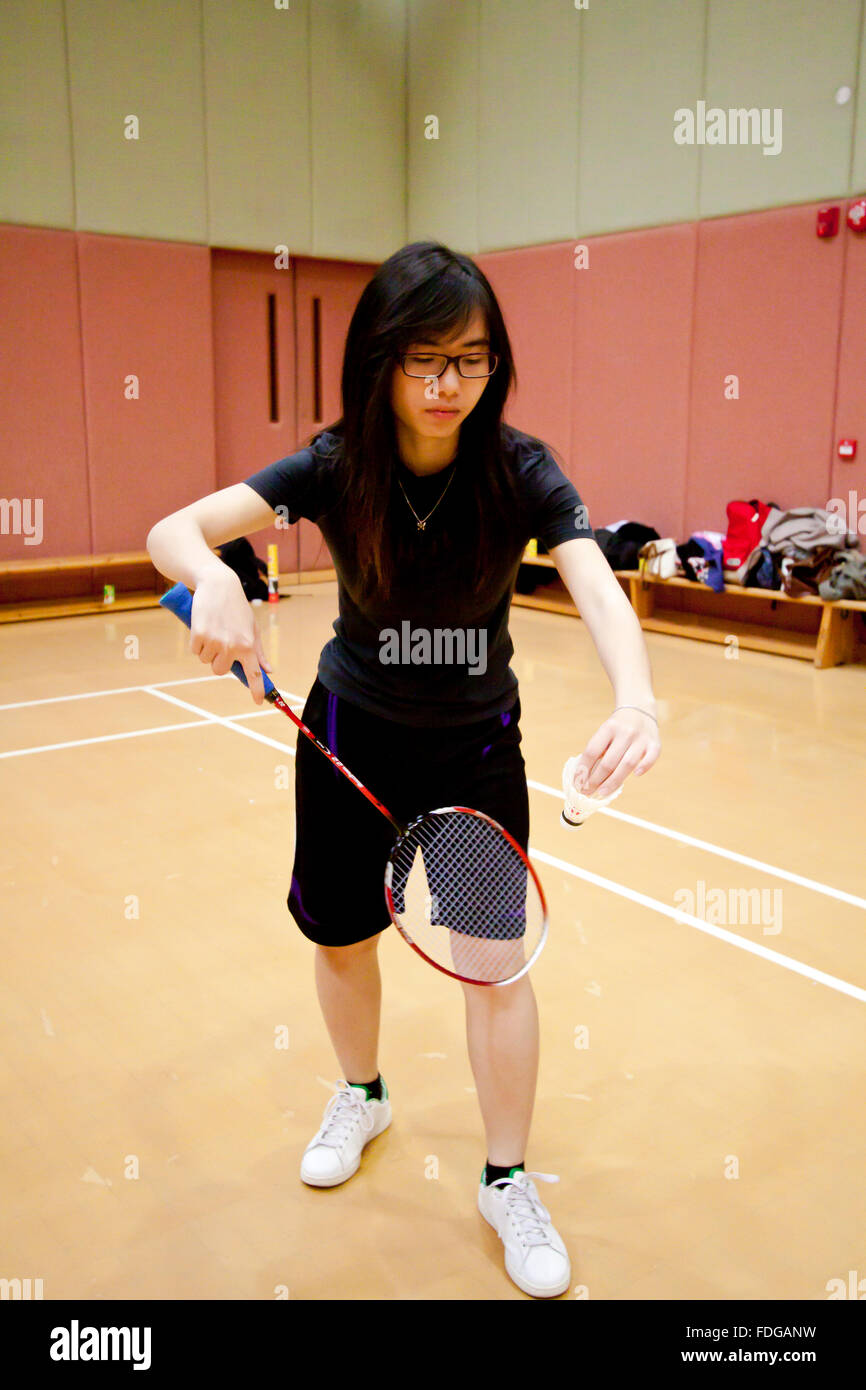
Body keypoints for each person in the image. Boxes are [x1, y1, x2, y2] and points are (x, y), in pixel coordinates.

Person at [146, 240, 661, 1299]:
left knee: (492, 964)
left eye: (468, 361)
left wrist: (637, 696)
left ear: (493, 364)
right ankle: (363, 1093)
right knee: (341, 940)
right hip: (347, 738)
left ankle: (506, 1176)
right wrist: (211, 580)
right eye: (423, 359)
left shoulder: (519, 468)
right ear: (380, 359)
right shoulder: (335, 463)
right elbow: (175, 529)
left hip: (473, 753)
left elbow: (595, 585)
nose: (444, 386)